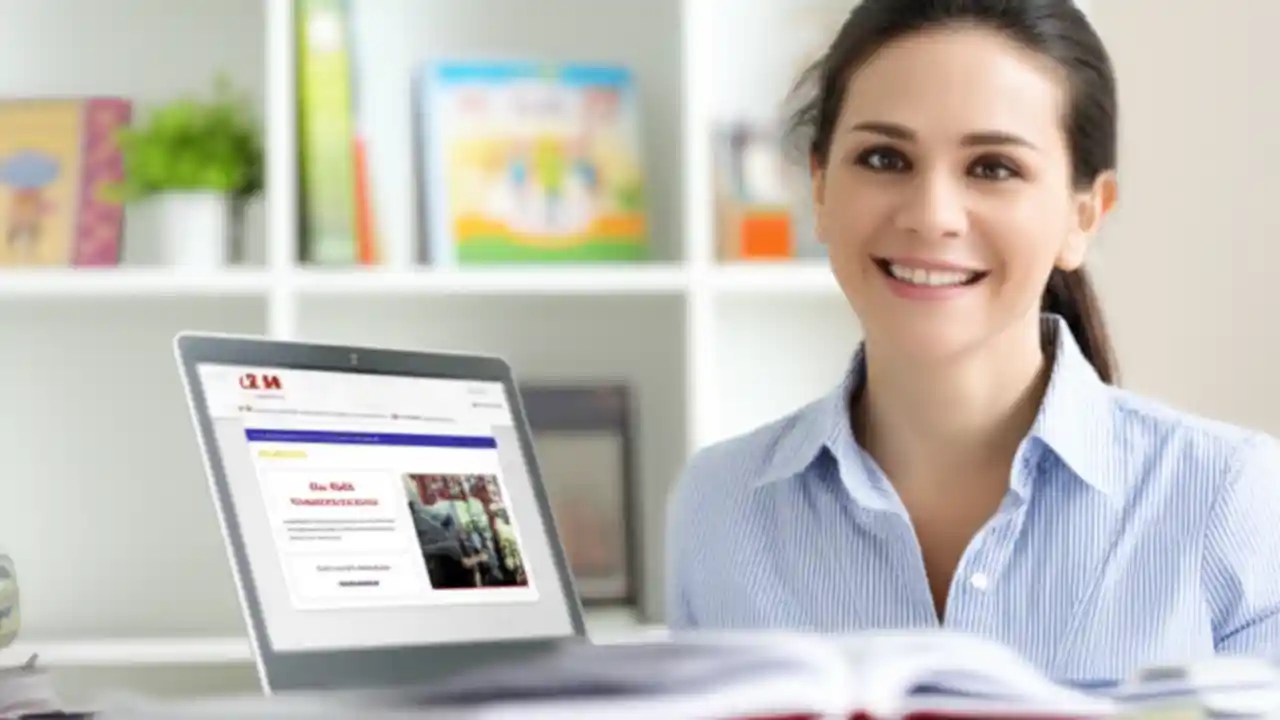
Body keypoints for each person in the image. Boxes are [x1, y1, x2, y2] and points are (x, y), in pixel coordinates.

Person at [665, 0, 1280, 681]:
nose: (932, 215)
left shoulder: (1234, 500)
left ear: (1084, 215)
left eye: (992, 168)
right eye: (883, 157)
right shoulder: (719, 508)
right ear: (820, 189)